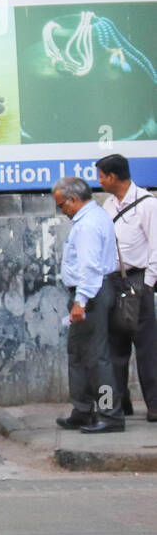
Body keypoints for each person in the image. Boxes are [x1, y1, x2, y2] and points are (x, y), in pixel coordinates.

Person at [53, 176, 124, 433]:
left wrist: (80, 301)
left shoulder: (88, 225)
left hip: (90, 295)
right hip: (91, 293)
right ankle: (82, 409)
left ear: (73, 200)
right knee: (79, 354)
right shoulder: (96, 216)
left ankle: (110, 413)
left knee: (97, 359)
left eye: (62, 205)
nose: (62, 210)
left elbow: (90, 268)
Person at [96, 154, 157, 421]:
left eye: (101, 175)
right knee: (115, 347)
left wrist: (148, 284)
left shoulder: (147, 204)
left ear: (112, 177)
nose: (98, 181)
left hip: (138, 280)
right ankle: (119, 404)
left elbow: (156, 246)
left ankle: (154, 405)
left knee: (146, 348)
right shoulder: (107, 205)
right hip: (112, 281)